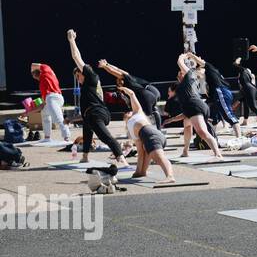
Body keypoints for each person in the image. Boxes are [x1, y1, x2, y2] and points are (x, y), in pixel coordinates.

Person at [66, 30, 128, 167]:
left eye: (78, 75)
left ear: (84, 72)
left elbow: (76, 57)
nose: (78, 78)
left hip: (97, 113)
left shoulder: (91, 76)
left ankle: (122, 159)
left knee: (105, 137)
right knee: (87, 130)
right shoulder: (89, 84)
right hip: (92, 113)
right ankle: (85, 156)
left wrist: (71, 40)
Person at [171, 52, 226, 159]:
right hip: (190, 108)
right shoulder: (184, 83)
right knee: (187, 126)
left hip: (195, 106)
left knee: (202, 132)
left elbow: (179, 62)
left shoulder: (190, 76)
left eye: (181, 72)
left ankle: (217, 153)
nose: (180, 74)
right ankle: (185, 151)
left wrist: (183, 56)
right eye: (179, 74)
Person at [119, 84, 175, 184]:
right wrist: (138, 172)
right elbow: (141, 153)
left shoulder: (138, 113)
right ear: (126, 121)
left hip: (152, 136)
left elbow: (132, 94)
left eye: (128, 112)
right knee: (147, 150)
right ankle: (142, 172)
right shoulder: (132, 127)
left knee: (159, 158)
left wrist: (125, 89)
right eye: (125, 115)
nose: (128, 112)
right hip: (154, 135)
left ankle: (170, 176)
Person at [98, 58, 163, 131]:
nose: (118, 82)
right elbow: (117, 69)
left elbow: (113, 71)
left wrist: (104, 66)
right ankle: (158, 130)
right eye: (117, 82)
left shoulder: (128, 80)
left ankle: (150, 133)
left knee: (145, 117)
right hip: (149, 95)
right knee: (151, 113)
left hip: (146, 97)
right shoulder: (128, 79)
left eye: (119, 80)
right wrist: (107, 64)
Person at [195, 53, 241, 137]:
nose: (197, 72)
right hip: (216, 94)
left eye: (198, 69)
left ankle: (239, 137)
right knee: (213, 116)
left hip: (221, 91)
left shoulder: (209, 67)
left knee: (228, 115)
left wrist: (191, 55)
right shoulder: (208, 77)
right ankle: (211, 136)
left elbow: (201, 63)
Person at [29, 60, 72, 142]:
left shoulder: (46, 70)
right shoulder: (44, 81)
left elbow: (33, 64)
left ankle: (67, 137)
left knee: (58, 117)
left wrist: (31, 70)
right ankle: (47, 137)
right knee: (45, 114)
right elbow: (43, 103)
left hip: (53, 97)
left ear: (35, 74)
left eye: (34, 76)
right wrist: (33, 107)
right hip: (53, 98)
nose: (36, 79)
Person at [232, 56, 257, 137]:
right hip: (253, 90)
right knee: (250, 105)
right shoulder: (248, 76)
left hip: (250, 90)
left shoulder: (243, 71)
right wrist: (238, 101)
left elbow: (234, 65)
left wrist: (238, 59)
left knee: (253, 107)